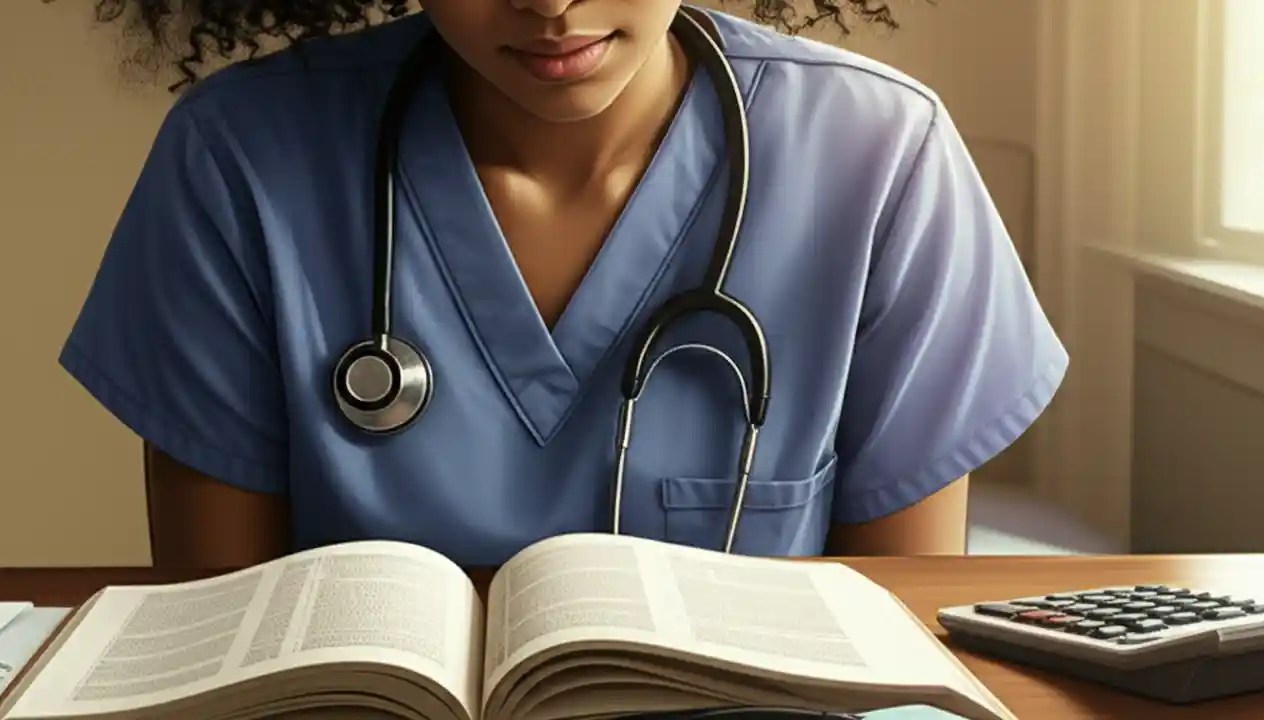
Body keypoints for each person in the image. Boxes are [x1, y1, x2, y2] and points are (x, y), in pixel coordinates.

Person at [60, 0, 1069, 573]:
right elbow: (224, 643)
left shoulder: (878, 156)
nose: (550, 0)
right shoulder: (238, 159)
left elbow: (891, 649)